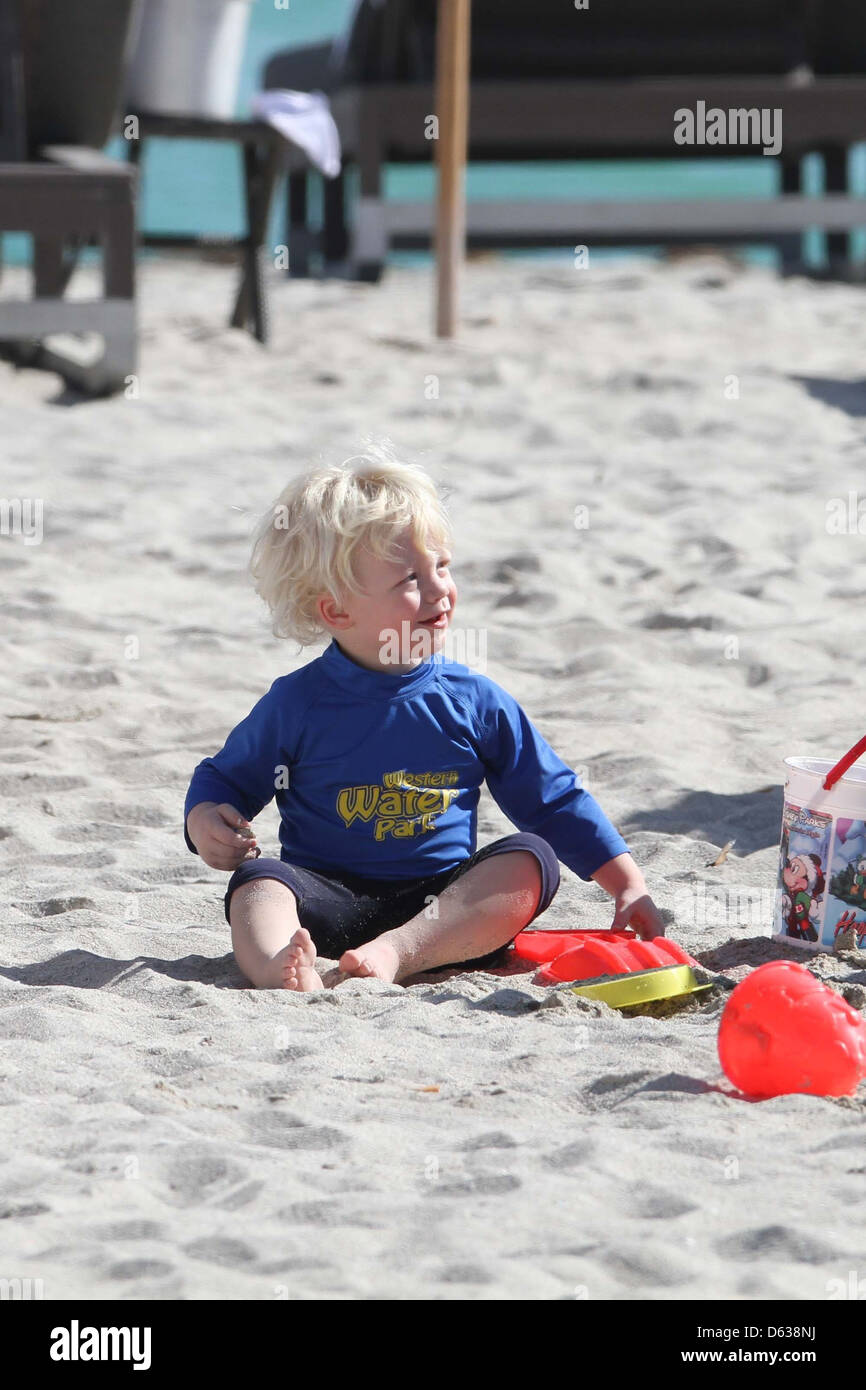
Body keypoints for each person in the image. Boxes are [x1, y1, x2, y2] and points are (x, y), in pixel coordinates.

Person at [183, 446, 666, 991]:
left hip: (443, 907)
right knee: (258, 885)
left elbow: (551, 798)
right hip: (324, 899)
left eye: (442, 565)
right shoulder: (298, 702)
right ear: (338, 610)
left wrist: (624, 881)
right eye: (410, 579)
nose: (440, 589)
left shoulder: (473, 700)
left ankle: (397, 954)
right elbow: (226, 778)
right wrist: (206, 822)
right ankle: (279, 966)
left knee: (532, 859)